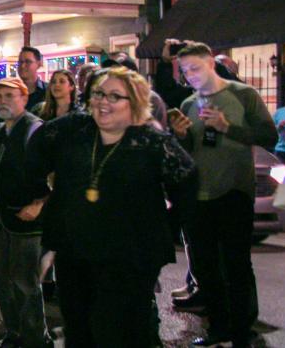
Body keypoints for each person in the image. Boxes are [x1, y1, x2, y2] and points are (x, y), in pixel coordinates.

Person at [19, 67, 198, 345]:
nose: (104, 102)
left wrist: (163, 226)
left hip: (130, 257)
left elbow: (187, 183)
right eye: (99, 93)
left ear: (135, 101)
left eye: (115, 96)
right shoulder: (71, 129)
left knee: (117, 330)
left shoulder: (150, 140)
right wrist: (43, 197)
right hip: (75, 251)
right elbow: (33, 155)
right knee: (78, 329)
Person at [167, 42, 278, 347]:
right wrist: (181, 135)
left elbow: (270, 136)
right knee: (205, 267)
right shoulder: (189, 103)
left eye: (195, 68)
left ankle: (242, 330)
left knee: (236, 264)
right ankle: (218, 327)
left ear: (210, 64)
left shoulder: (243, 94)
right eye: (185, 70)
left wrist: (229, 128)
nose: (190, 75)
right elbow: (190, 152)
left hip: (234, 191)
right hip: (198, 196)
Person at [0, 77, 50, 348]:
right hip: (3, 221)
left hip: (29, 225)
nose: (3, 101)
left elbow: (55, 174)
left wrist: (38, 204)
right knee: (3, 282)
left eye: (10, 96)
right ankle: (14, 334)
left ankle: (37, 340)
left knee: (26, 284)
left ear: (24, 99)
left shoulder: (35, 129)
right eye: (0, 96)